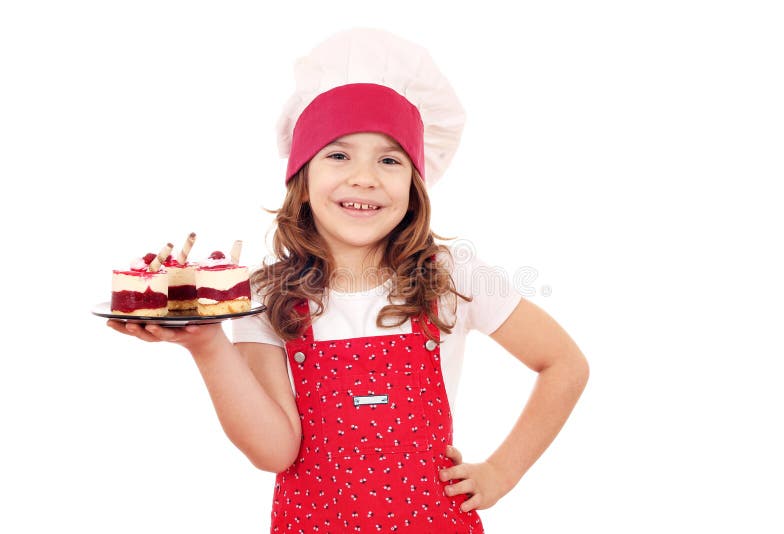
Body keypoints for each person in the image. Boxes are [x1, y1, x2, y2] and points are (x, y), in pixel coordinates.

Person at [108, 28, 589, 533]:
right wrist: (208, 346)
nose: (364, 176)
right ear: (303, 178)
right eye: (338, 155)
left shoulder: (452, 278)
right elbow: (275, 451)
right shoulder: (267, 296)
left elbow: (564, 364)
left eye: (389, 159)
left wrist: (502, 473)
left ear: (414, 184)